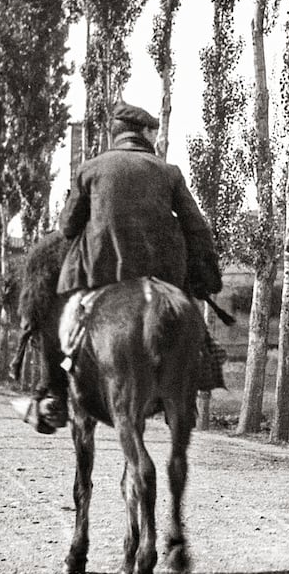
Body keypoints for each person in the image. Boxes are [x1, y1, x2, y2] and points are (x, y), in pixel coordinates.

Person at [26, 102, 223, 432]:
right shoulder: (169, 171)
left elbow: (69, 228)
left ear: (114, 135)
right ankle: (198, 369)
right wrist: (207, 273)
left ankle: (53, 393)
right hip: (162, 277)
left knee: (57, 316)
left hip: (102, 275)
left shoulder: (90, 169)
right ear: (144, 134)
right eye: (153, 132)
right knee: (185, 309)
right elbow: (197, 227)